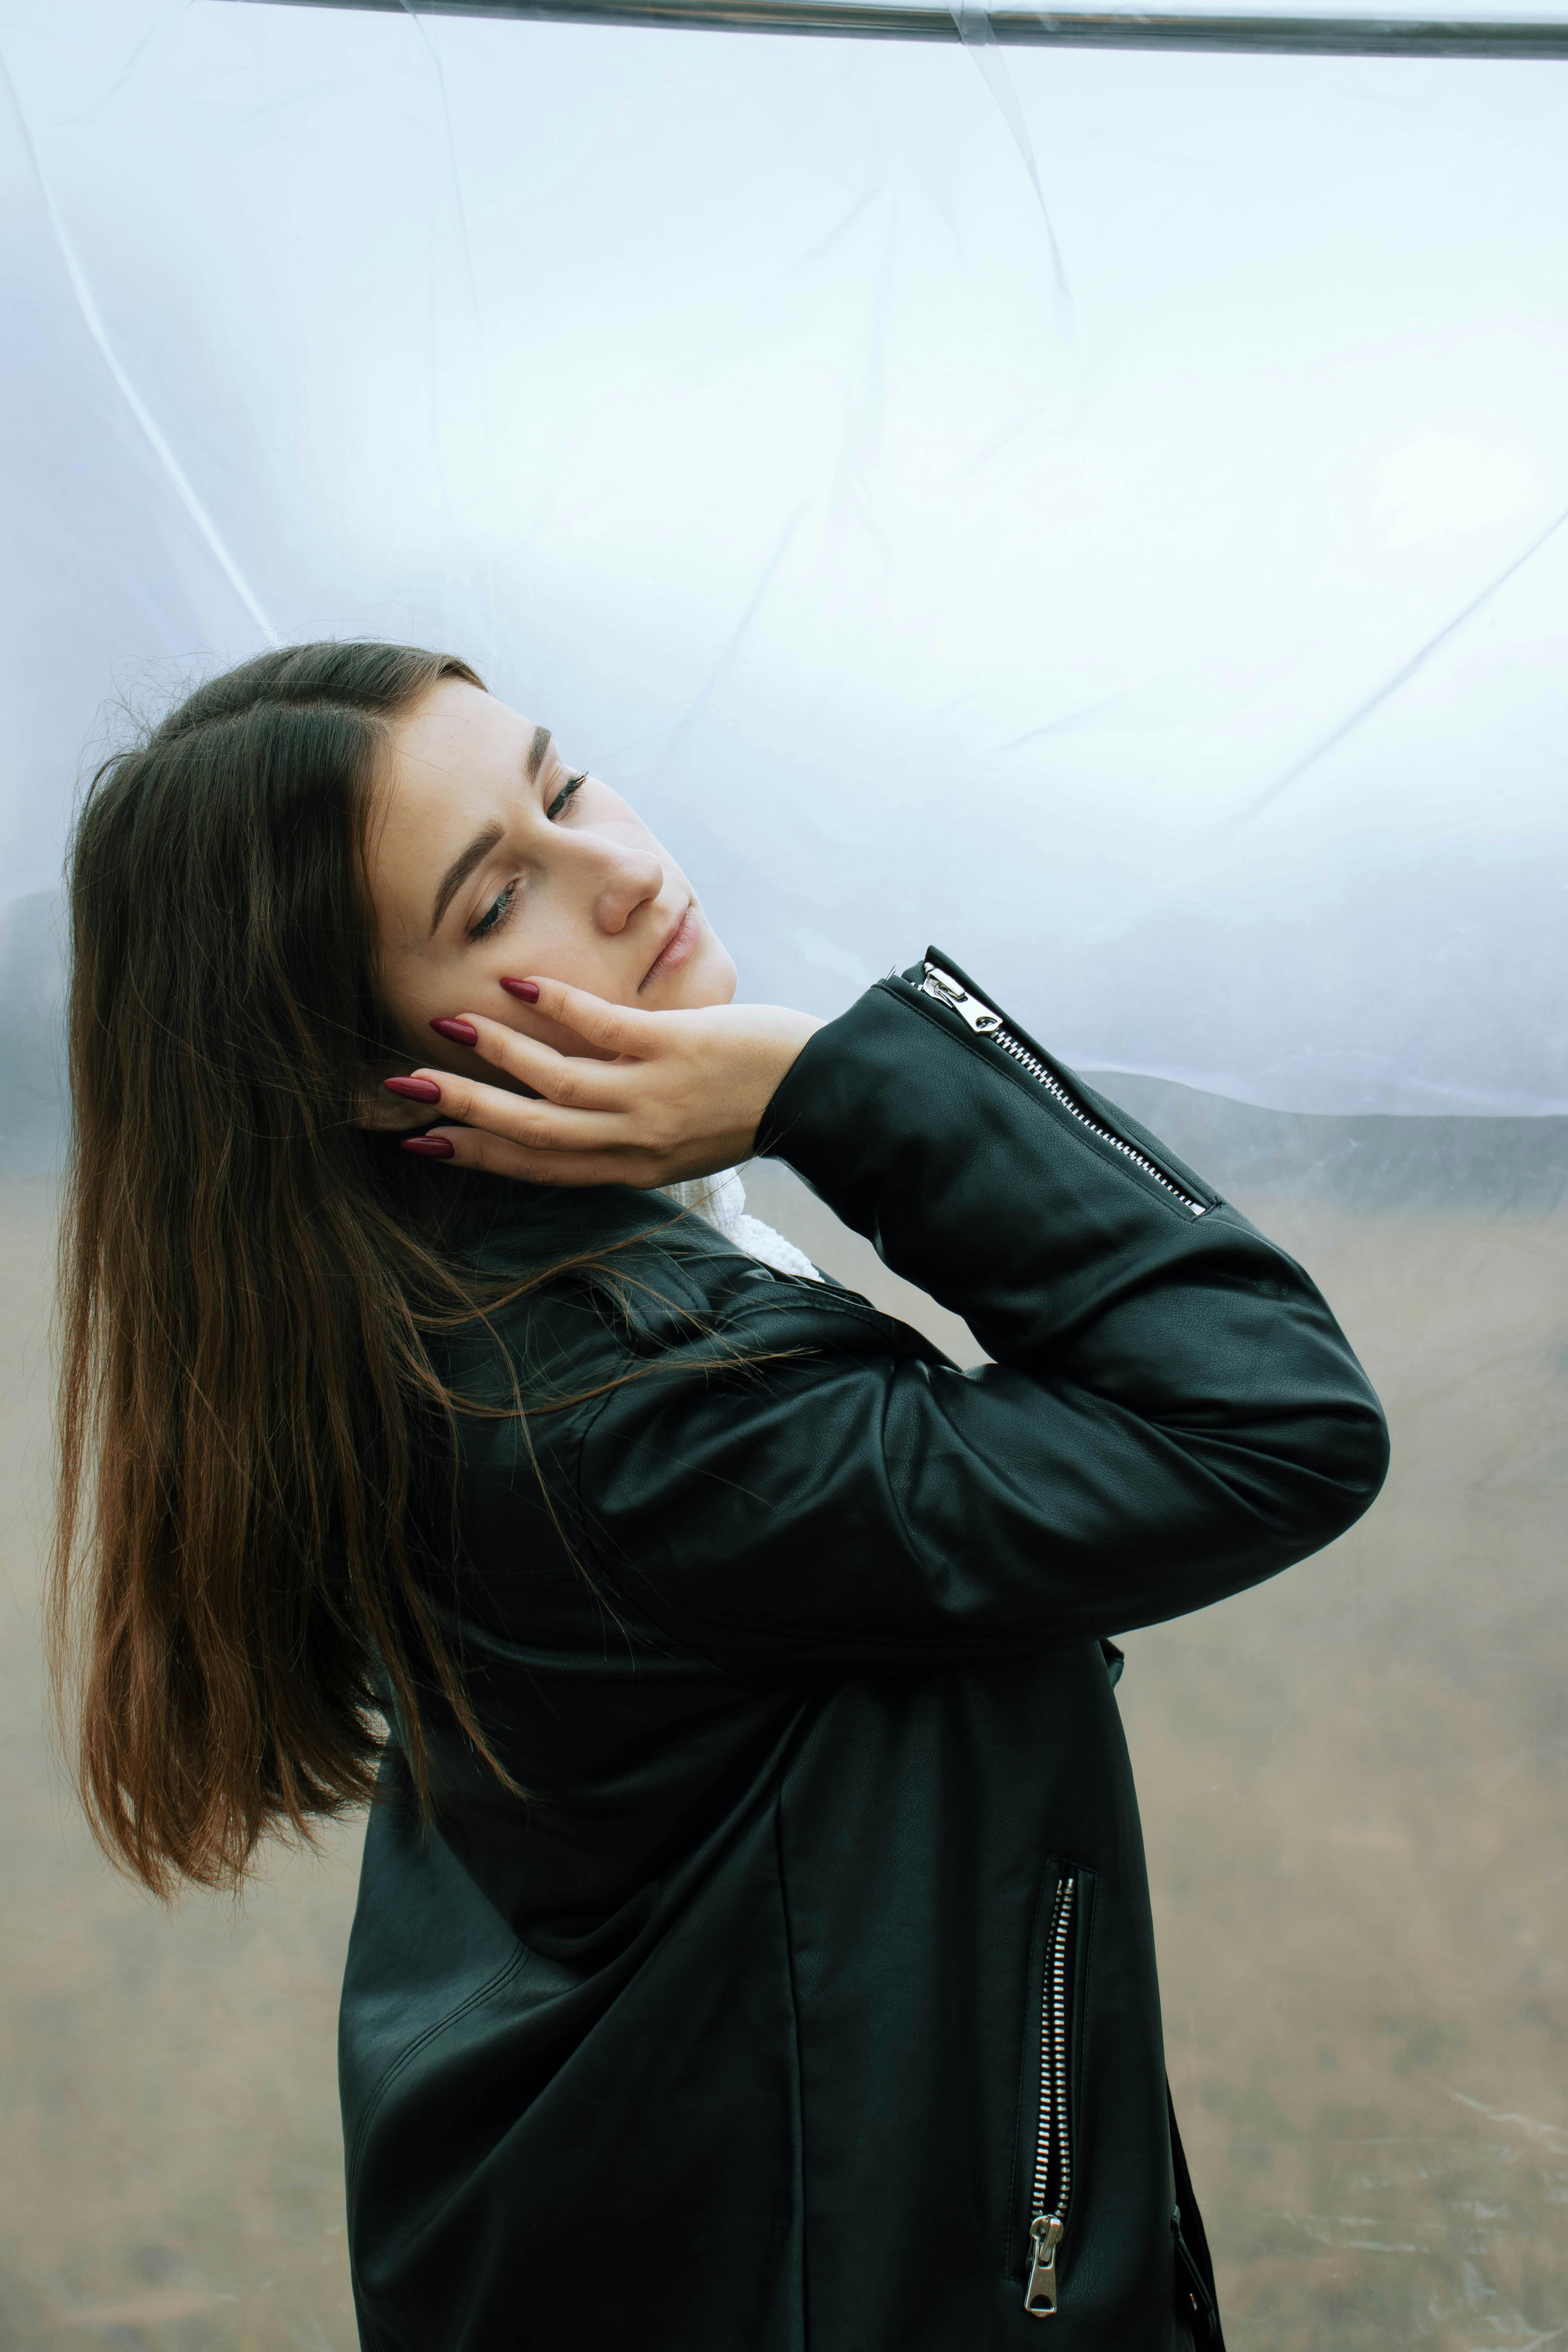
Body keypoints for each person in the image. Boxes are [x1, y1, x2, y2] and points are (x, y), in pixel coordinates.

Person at [53, 640, 1389, 2352]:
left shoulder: (444, 1342)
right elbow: (1270, 1421)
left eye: (560, 783)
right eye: (495, 899)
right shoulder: (629, 1419)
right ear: (370, 1077)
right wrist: (818, 1082)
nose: (622, 869)